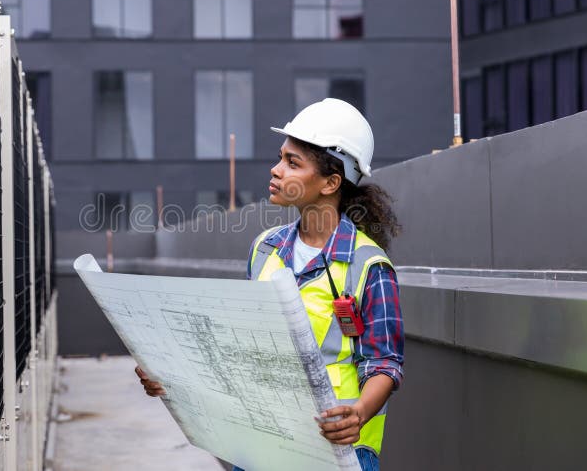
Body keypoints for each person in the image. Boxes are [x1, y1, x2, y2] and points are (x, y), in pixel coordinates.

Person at [136, 98, 404, 471]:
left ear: (330, 182)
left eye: (293, 163)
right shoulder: (265, 249)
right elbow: (241, 350)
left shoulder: (368, 265)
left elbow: (384, 363)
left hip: (337, 454)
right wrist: (174, 379)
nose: (276, 170)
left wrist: (358, 412)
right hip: (264, 446)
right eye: (281, 157)